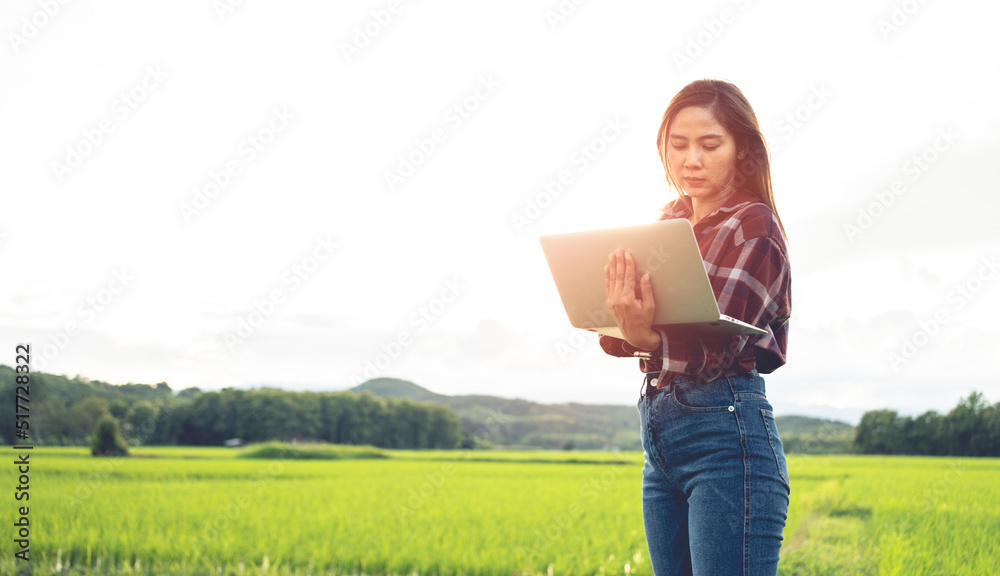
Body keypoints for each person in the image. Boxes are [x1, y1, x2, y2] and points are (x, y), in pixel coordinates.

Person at [600, 79, 792, 575]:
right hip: (660, 442)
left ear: (742, 149)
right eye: (678, 145)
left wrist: (645, 338)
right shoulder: (665, 224)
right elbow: (622, 334)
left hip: (726, 438)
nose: (692, 160)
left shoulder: (754, 225)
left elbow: (721, 346)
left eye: (710, 145)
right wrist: (622, 316)